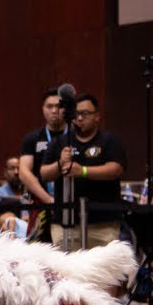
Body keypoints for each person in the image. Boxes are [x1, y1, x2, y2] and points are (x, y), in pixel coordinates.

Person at [38, 93, 126, 250]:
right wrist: (60, 163)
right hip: (65, 223)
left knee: (101, 271)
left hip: (102, 223)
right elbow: (44, 174)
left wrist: (83, 171)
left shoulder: (110, 140)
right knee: (67, 271)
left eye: (85, 114)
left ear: (97, 116)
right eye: (76, 114)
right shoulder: (60, 142)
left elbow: (115, 169)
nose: (79, 119)